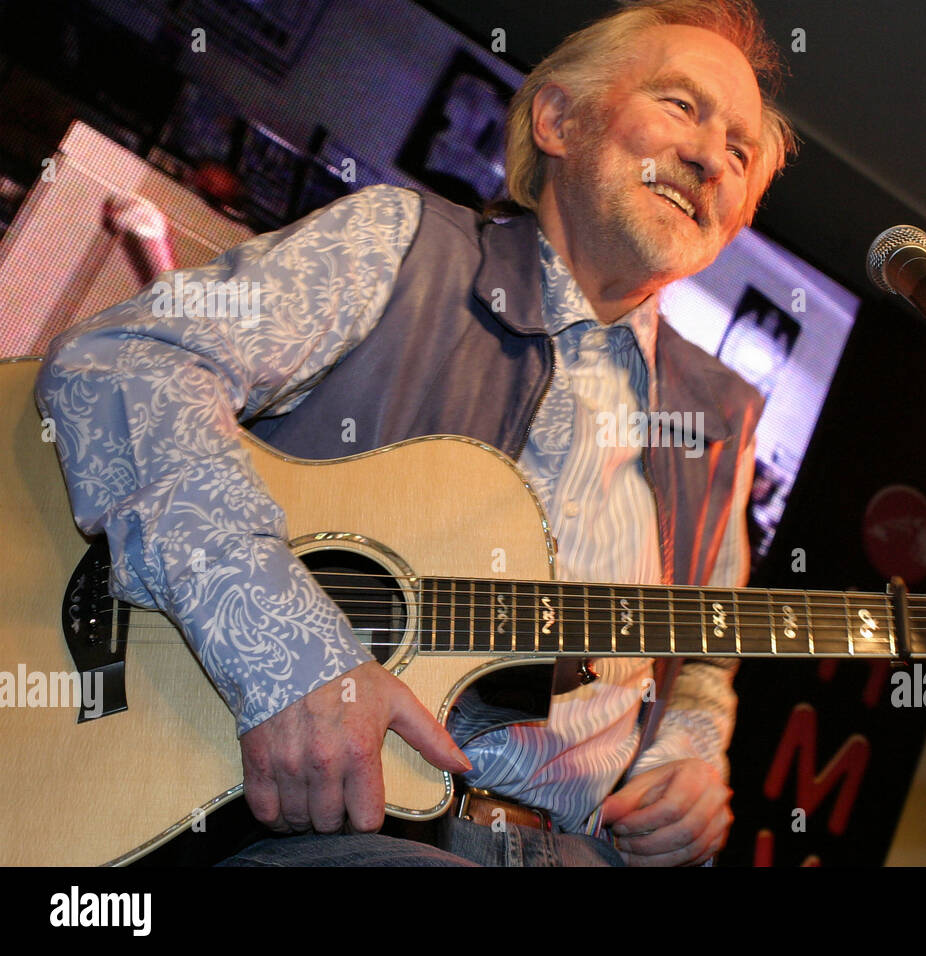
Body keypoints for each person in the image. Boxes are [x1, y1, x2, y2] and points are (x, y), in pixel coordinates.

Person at [35, 0, 797, 867]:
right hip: (317, 826)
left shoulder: (716, 424)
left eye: (740, 152)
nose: (708, 156)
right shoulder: (399, 245)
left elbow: (704, 652)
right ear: (557, 118)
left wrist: (690, 754)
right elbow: (127, 362)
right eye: (680, 105)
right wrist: (289, 656)